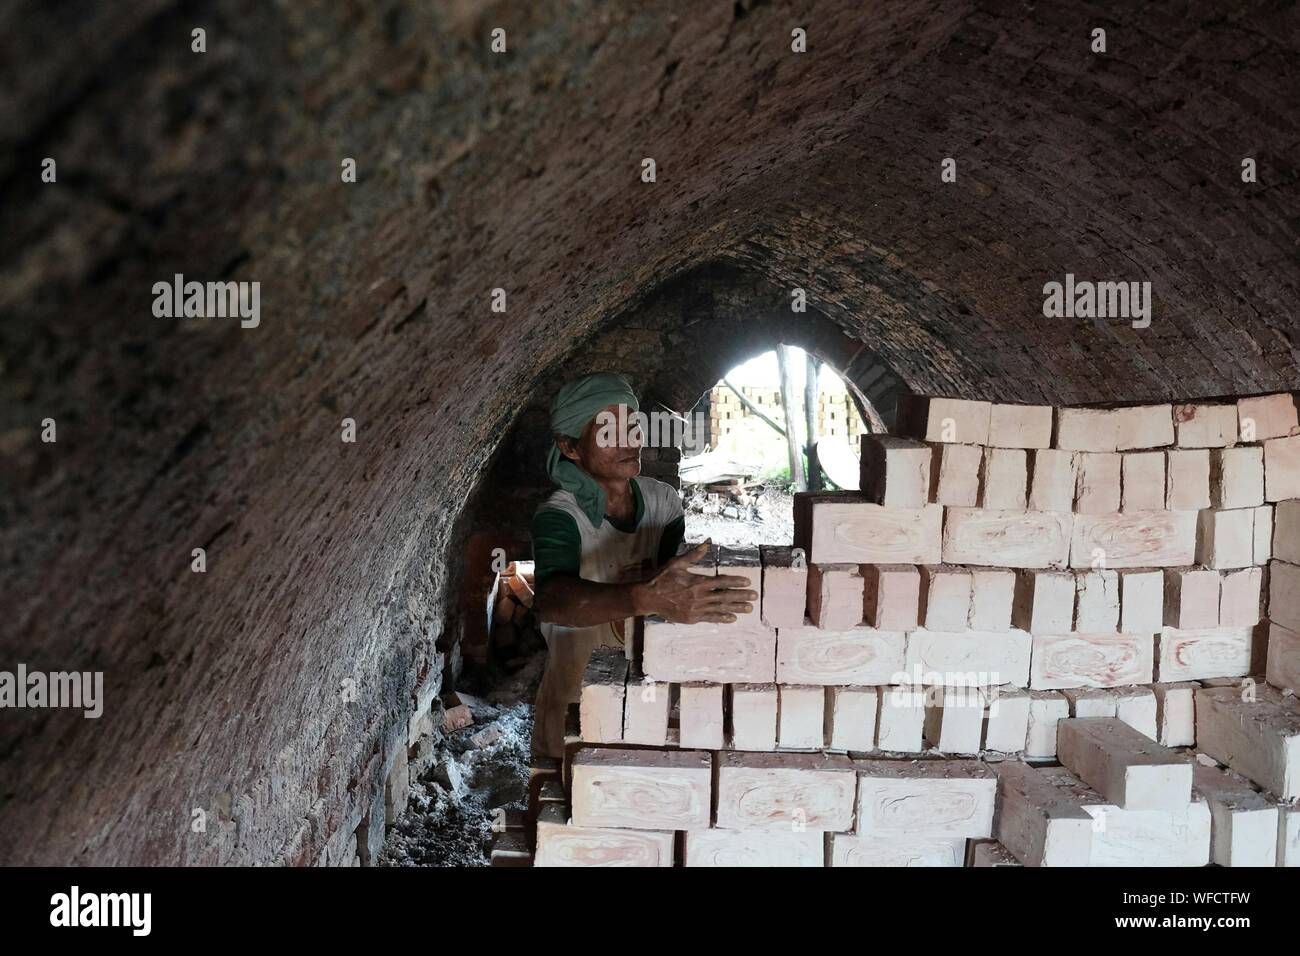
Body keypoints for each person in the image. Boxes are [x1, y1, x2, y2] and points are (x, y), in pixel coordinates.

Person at [529, 371, 757, 758]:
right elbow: (553, 600)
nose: (629, 440)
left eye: (633, 426)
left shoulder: (662, 502)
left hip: (646, 685)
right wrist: (643, 598)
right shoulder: (561, 516)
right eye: (607, 432)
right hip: (577, 696)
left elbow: (675, 585)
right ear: (570, 447)